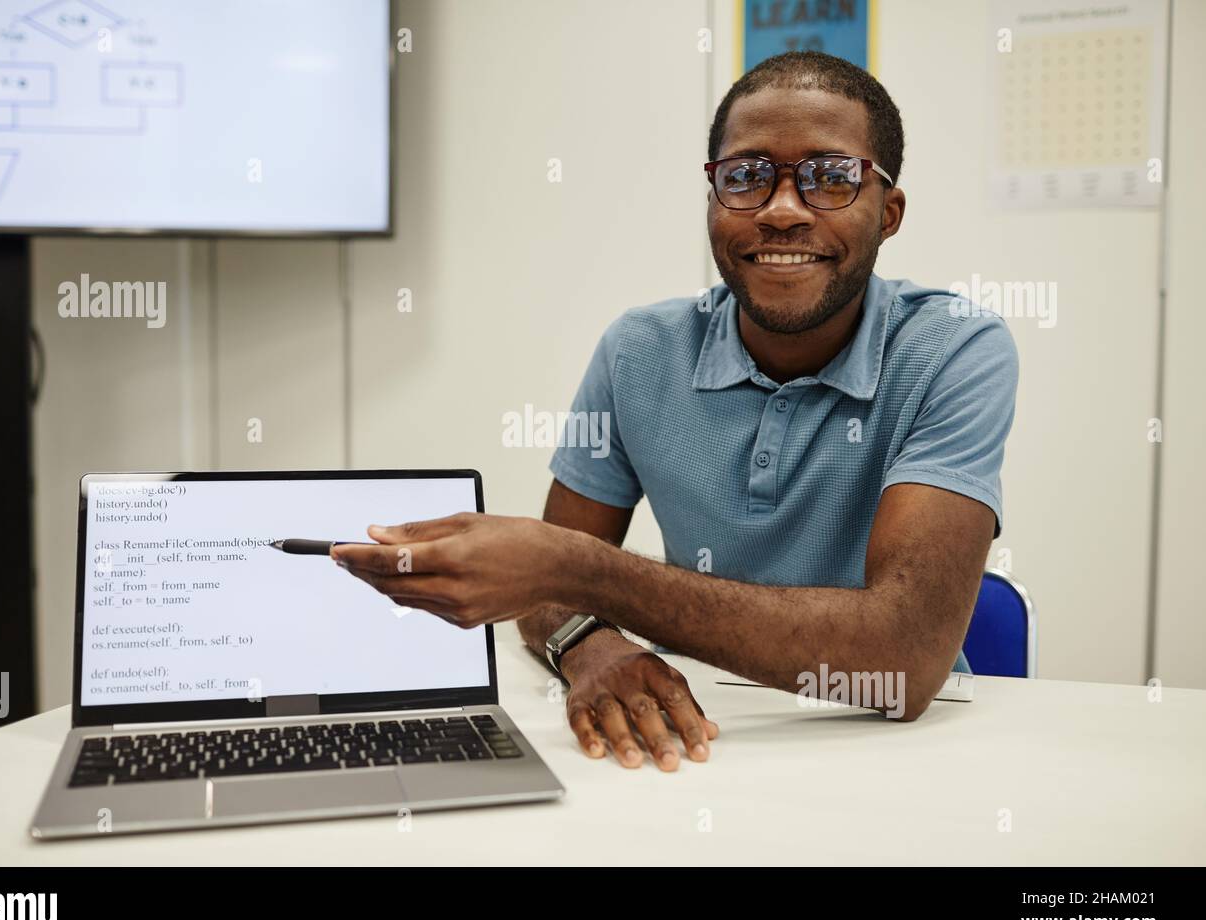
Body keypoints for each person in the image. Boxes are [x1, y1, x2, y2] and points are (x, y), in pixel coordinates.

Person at [332, 51, 1018, 772]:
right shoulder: (639, 351)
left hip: (904, 748)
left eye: (830, 177)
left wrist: (580, 570)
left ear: (891, 213)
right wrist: (587, 643)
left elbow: (901, 662)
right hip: (703, 732)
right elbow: (545, 597)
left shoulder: (954, 349)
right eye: (747, 176)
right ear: (715, 198)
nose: (783, 210)